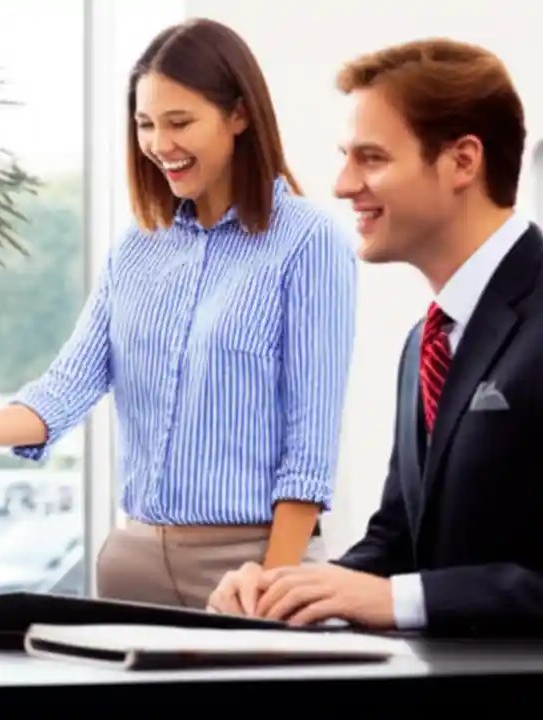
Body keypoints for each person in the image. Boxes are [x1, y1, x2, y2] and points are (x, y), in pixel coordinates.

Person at [0, 18, 358, 609]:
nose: (159, 144)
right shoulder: (137, 248)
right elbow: (65, 387)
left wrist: (272, 587)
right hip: (135, 566)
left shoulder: (307, 242)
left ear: (239, 115)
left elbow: (309, 450)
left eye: (180, 122)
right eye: (146, 124)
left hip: (251, 565)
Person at [208, 38, 543, 636]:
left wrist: (394, 602)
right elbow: (397, 544)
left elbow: (406, 590)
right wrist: (291, 588)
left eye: (371, 158)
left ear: (464, 161)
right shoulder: (427, 341)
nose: (341, 184)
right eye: (346, 156)